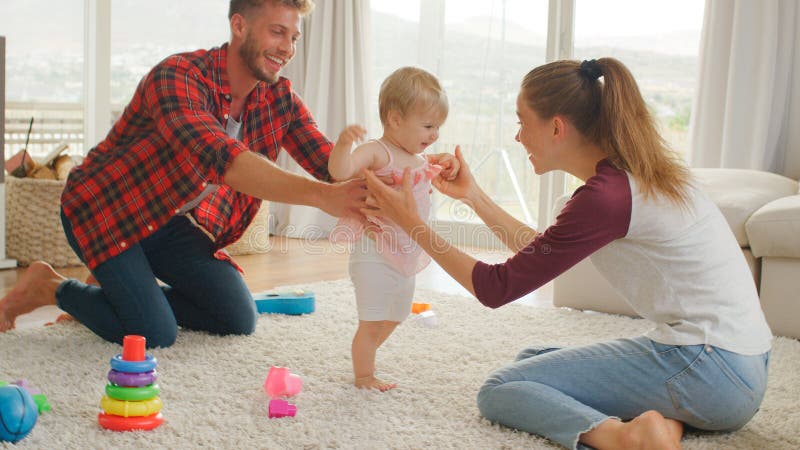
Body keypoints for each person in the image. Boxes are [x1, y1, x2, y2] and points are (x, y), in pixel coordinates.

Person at [361, 58, 771, 449]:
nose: (517, 136)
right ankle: (667, 422)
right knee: (534, 360)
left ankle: (624, 439)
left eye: (522, 123)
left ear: (557, 127)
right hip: (737, 367)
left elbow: (495, 287)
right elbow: (541, 252)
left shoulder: (605, 197)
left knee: (503, 389)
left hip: (710, 370)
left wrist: (410, 221)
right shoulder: (629, 177)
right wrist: (473, 196)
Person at [0, 0, 368, 347]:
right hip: (106, 208)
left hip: (169, 222)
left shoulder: (279, 99)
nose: (287, 48)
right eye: (276, 32)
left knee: (237, 317)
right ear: (238, 25)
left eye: (293, 37)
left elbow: (331, 164)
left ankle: (114, 295)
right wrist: (321, 197)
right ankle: (50, 287)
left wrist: (403, 161)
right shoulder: (178, 75)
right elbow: (225, 159)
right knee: (154, 333)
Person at [328, 67, 454, 391]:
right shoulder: (377, 151)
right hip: (374, 254)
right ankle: (364, 376)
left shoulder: (418, 157)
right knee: (370, 322)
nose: (434, 134)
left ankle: (364, 352)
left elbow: (430, 173)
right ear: (396, 120)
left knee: (396, 316)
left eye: (438, 126)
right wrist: (343, 145)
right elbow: (341, 171)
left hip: (406, 255)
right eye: (428, 126)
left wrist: (445, 165)